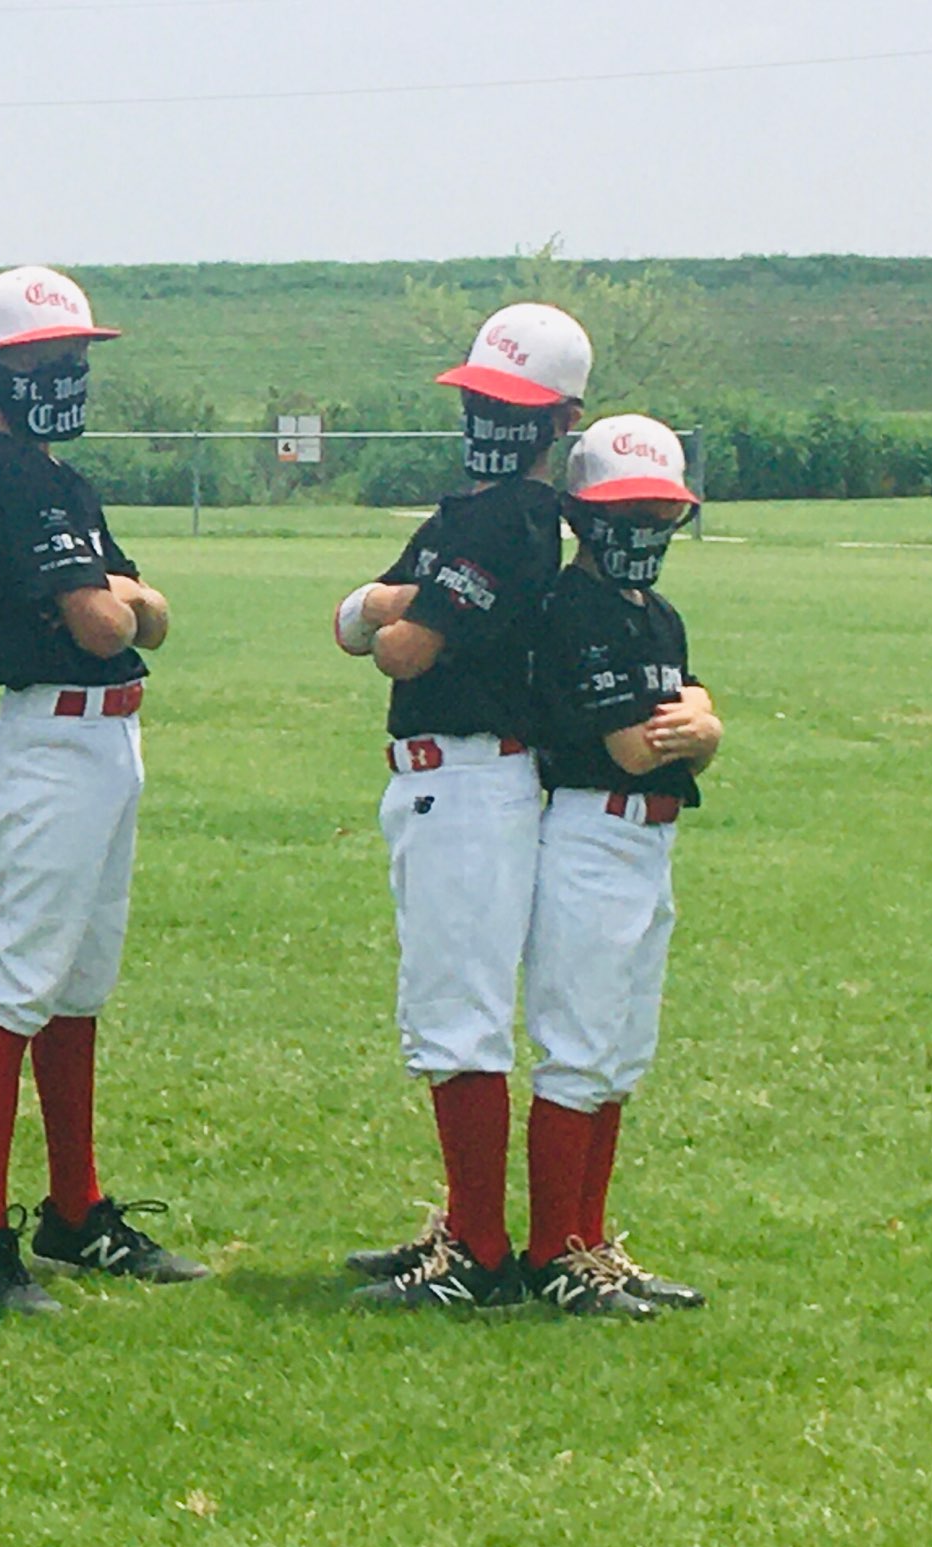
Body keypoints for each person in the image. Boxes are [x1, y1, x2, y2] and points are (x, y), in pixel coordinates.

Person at [0, 266, 205, 1316]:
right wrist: (123, 602)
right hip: (51, 734)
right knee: (19, 984)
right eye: (43, 362)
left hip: (105, 740)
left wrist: (126, 600)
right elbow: (106, 624)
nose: (66, 376)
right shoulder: (9, 473)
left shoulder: (59, 478)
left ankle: (73, 1205)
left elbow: (155, 614)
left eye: (75, 360)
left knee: (78, 986)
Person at [330, 303, 591, 1309]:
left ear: (558, 421)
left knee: (460, 1014)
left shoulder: (512, 520)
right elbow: (349, 622)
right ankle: (464, 1225)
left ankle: (481, 1253)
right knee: (449, 1002)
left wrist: (395, 602)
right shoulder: (467, 513)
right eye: (482, 395)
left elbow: (395, 643)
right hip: (447, 776)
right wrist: (398, 600)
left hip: (473, 773)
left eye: (511, 403)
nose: (488, 413)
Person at [515, 413, 719, 1317]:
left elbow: (689, 735)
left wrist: (701, 730)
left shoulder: (656, 614)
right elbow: (641, 746)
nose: (641, 530)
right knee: (580, 1048)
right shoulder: (575, 607)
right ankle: (555, 1252)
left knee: (621, 1053)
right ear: (582, 515)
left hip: (649, 840)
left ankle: (591, 1245)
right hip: (593, 831)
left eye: (658, 512)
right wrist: (699, 725)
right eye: (623, 510)